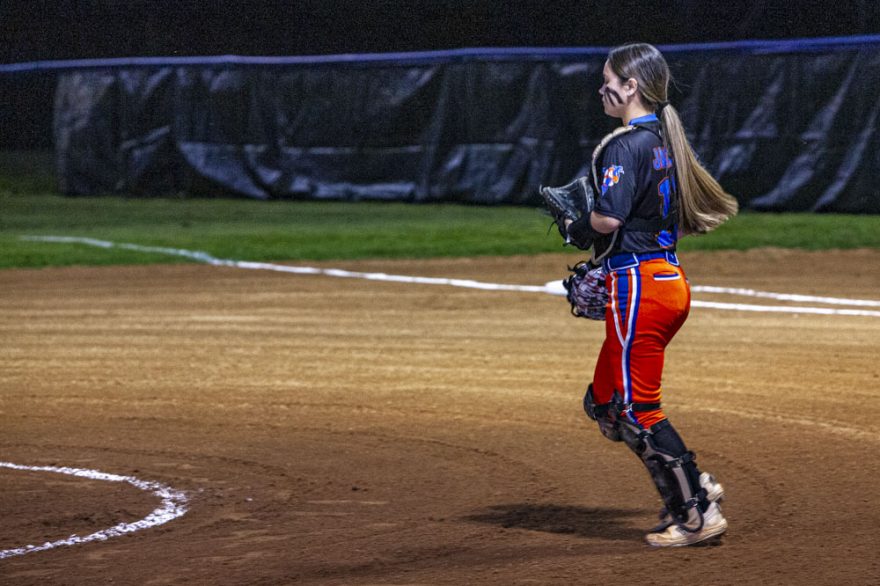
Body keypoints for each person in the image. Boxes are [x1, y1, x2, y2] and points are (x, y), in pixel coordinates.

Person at [563, 43, 739, 547]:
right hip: (664, 280)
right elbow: (662, 218)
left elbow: (608, 219)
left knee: (637, 409)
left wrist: (577, 227)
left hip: (641, 288)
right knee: (604, 402)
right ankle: (694, 482)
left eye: (608, 81)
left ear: (631, 86)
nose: (602, 89)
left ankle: (695, 513)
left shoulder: (625, 144)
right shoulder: (665, 138)